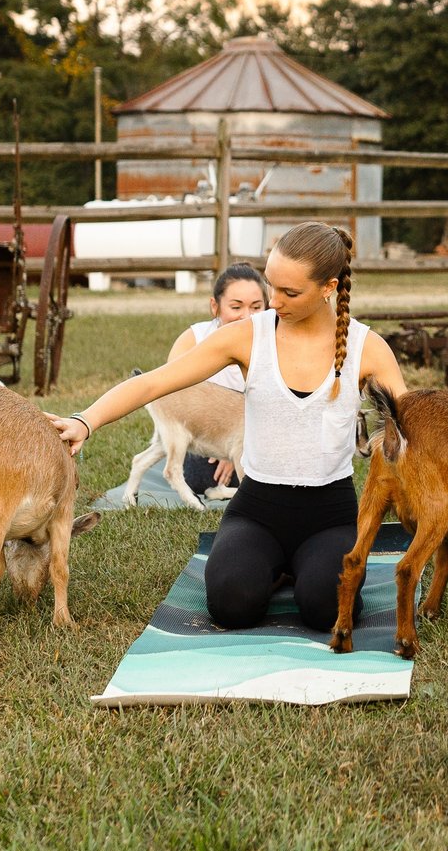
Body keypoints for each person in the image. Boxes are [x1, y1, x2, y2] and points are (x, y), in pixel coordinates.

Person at [52, 222, 409, 633]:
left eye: (289, 293)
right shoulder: (248, 337)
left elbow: (412, 426)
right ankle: (275, 569)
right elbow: (154, 381)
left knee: (326, 609)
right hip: (257, 510)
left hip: (331, 514)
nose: (274, 301)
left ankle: (305, 571)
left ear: (329, 287)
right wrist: (86, 420)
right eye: (271, 286)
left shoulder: (368, 347)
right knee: (231, 604)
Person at [167, 262, 271, 497]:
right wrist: (223, 446)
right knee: (199, 476)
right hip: (208, 441)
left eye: (257, 307)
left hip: (260, 443)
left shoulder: (276, 345)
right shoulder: (193, 340)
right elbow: (171, 398)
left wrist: (238, 454)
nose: (247, 316)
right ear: (215, 306)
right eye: (236, 307)